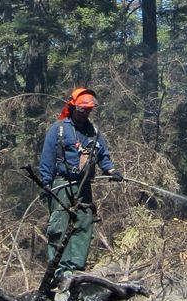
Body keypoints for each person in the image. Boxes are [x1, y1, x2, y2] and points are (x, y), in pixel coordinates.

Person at [38, 88, 123, 282]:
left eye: (89, 109)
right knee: (59, 227)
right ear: (73, 107)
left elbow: (103, 156)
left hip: (84, 186)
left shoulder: (94, 132)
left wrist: (111, 171)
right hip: (61, 184)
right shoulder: (58, 129)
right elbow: (47, 158)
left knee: (83, 227)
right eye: (82, 109)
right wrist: (45, 183)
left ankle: (75, 271)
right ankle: (60, 273)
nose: (85, 112)